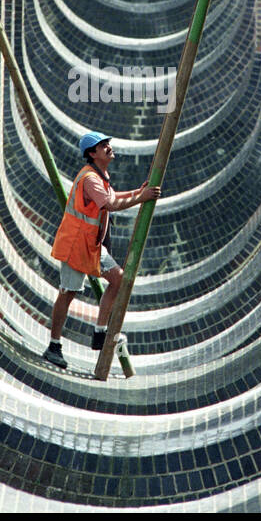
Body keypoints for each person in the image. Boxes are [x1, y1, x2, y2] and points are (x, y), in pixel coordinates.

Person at [42, 132, 161, 370]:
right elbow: (110, 204)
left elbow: (113, 196)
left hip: (92, 246)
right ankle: (54, 345)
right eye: (102, 146)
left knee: (118, 279)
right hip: (76, 246)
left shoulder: (100, 176)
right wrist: (141, 198)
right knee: (68, 293)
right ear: (91, 154)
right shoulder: (90, 179)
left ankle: (100, 331)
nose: (108, 148)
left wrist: (137, 191)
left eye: (107, 144)